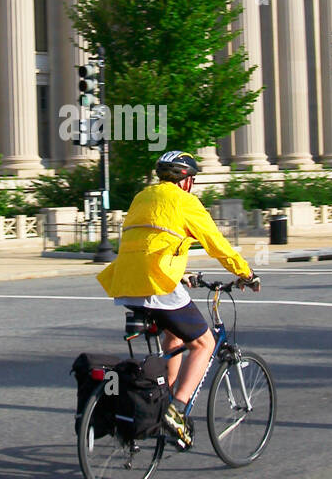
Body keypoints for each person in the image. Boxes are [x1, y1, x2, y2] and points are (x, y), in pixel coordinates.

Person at [96, 150, 259, 449]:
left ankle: (163, 400)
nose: (193, 185)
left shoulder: (142, 197)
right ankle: (177, 410)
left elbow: (151, 240)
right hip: (156, 283)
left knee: (174, 340)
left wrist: (179, 274)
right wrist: (245, 273)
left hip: (125, 282)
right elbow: (216, 244)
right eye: (192, 180)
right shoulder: (186, 202)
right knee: (204, 343)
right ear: (185, 181)